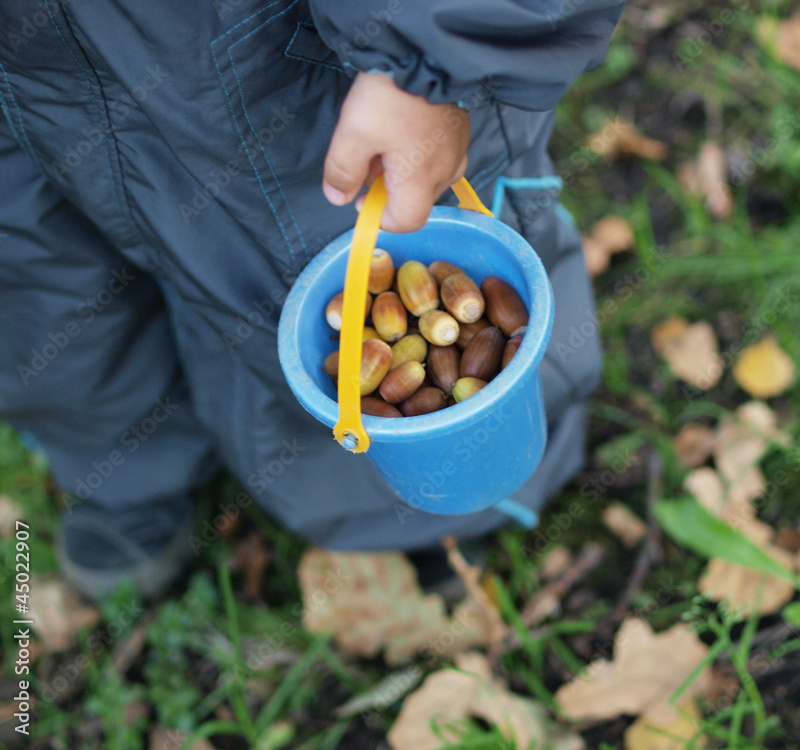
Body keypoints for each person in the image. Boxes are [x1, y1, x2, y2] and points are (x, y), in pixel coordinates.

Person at [0, 0, 623, 599]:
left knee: (295, 280)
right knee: (45, 297)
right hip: (22, 94)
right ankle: (126, 464)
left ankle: (428, 510)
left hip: (286, 72)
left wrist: (430, 51)